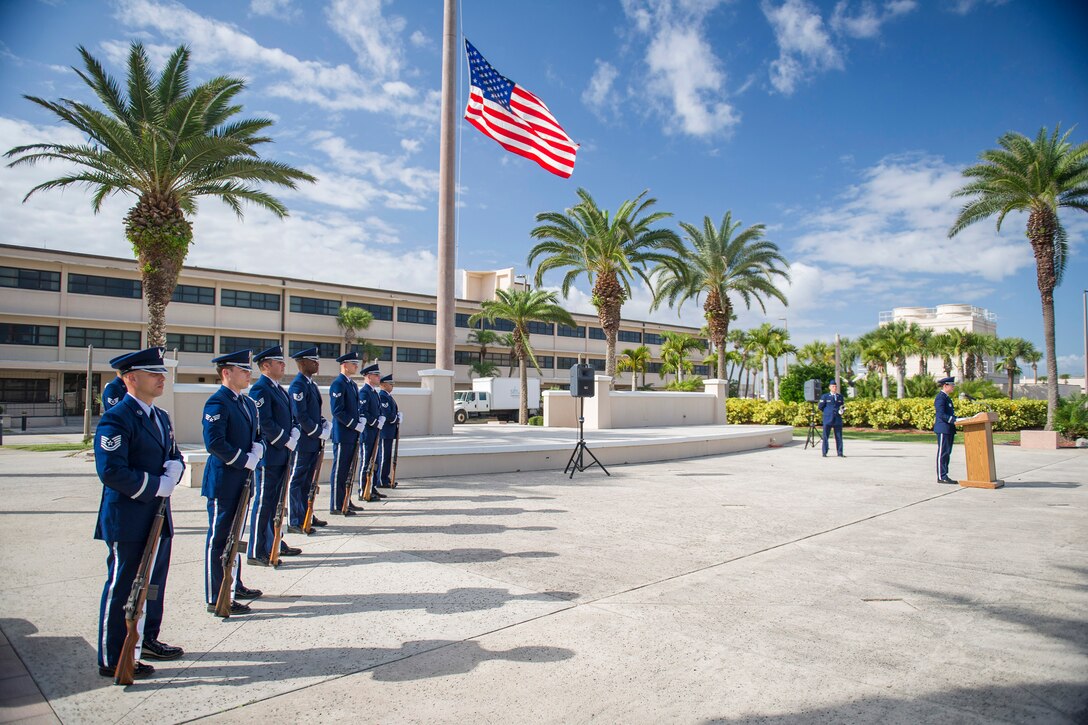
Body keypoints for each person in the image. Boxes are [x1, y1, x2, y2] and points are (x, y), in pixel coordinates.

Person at [93, 346, 184, 679]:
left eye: (161, 373)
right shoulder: (117, 418)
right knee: (124, 585)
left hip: (158, 515)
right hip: (128, 517)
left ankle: (147, 639)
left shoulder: (160, 417)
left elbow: (172, 456)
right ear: (131, 378)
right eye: (153, 373)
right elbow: (112, 471)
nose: (161, 378)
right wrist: (155, 485)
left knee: (153, 583)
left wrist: (176, 469)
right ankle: (113, 655)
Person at [201, 349, 263, 615]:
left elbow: (256, 435)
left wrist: (258, 450)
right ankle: (217, 594)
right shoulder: (217, 403)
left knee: (234, 535)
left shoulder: (246, 403)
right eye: (243, 370)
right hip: (224, 480)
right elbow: (215, 443)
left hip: (243, 479)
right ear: (226, 373)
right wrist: (243, 459)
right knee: (220, 538)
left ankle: (233, 582)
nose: (249, 374)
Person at [246, 345, 303, 565]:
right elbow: (264, 422)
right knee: (265, 502)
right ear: (266, 366)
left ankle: (275, 541)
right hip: (270, 456)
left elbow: (291, 417)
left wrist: (295, 430)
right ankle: (257, 549)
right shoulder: (260, 389)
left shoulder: (279, 389)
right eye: (278, 362)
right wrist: (284, 439)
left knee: (277, 502)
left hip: (282, 455)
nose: (283, 365)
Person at [285, 347, 332, 534]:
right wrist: (317, 431)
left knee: (308, 481)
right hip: (303, 441)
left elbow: (313, 413)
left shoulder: (311, 384)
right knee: (297, 480)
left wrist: (323, 424)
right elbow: (300, 416)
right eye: (313, 361)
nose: (317, 363)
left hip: (313, 441)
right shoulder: (297, 385)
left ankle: (307, 514)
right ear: (303, 363)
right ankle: (294, 519)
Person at [329, 351, 365, 516]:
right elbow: (338, 411)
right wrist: (354, 424)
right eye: (353, 363)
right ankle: (337, 504)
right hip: (343, 434)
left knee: (349, 470)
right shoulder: (338, 384)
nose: (356, 366)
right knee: (340, 470)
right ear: (344, 365)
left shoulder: (351, 384)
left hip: (352, 435)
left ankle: (345, 500)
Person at [357, 362, 386, 502]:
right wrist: (375, 422)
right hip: (367, 433)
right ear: (369, 376)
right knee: (366, 462)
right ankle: (363, 490)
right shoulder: (364, 392)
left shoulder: (374, 392)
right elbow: (363, 412)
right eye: (376, 375)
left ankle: (371, 487)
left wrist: (380, 418)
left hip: (375, 433)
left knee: (374, 462)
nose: (379, 377)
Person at [377, 374, 402, 487]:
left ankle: (385, 478)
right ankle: (381, 480)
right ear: (383, 384)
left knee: (387, 456)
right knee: (383, 456)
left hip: (389, 432)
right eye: (389, 383)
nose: (392, 385)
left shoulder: (388, 396)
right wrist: (396, 418)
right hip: (385, 432)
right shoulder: (382, 396)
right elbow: (386, 413)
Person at [934, 376, 958, 484]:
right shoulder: (940, 398)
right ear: (945, 385)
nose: (953, 387)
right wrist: (953, 420)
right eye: (952, 385)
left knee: (947, 453)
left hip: (949, 429)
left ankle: (945, 475)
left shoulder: (947, 398)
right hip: (943, 428)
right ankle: (941, 476)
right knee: (942, 453)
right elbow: (941, 414)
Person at [818, 382, 845, 458]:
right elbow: (820, 407)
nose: (834, 388)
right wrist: (827, 412)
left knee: (839, 436)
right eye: (833, 386)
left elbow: (842, 406)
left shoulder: (840, 396)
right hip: (828, 419)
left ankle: (840, 453)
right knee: (826, 436)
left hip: (837, 419)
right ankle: (824, 452)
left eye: (835, 386)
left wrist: (842, 411)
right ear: (829, 387)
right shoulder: (825, 396)